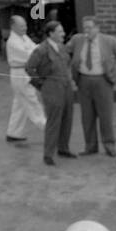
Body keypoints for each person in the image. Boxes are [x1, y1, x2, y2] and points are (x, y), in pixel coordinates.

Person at [66, 15, 116, 156]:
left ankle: (109, 145)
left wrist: (115, 69)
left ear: (97, 28)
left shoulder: (109, 41)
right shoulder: (77, 40)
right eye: (85, 28)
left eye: (90, 28)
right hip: (83, 81)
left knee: (105, 115)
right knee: (87, 116)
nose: (87, 31)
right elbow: (64, 51)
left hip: (103, 81)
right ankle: (90, 146)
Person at [25, 21, 77, 167]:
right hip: (52, 88)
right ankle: (48, 153)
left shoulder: (61, 47)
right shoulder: (41, 50)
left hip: (65, 86)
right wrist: (41, 85)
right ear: (51, 34)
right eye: (60, 32)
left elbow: (66, 65)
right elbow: (29, 67)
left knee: (67, 117)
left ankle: (63, 148)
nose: (63, 34)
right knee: (54, 121)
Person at [5, 14, 47, 146]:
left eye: (25, 25)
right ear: (13, 27)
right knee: (32, 102)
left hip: (23, 73)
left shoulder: (22, 37)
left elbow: (34, 47)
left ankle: (14, 132)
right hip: (20, 74)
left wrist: (37, 48)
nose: (25, 28)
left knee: (20, 104)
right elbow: (32, 53)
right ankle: (49, 129)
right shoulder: (13, 42)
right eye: (22, 26)